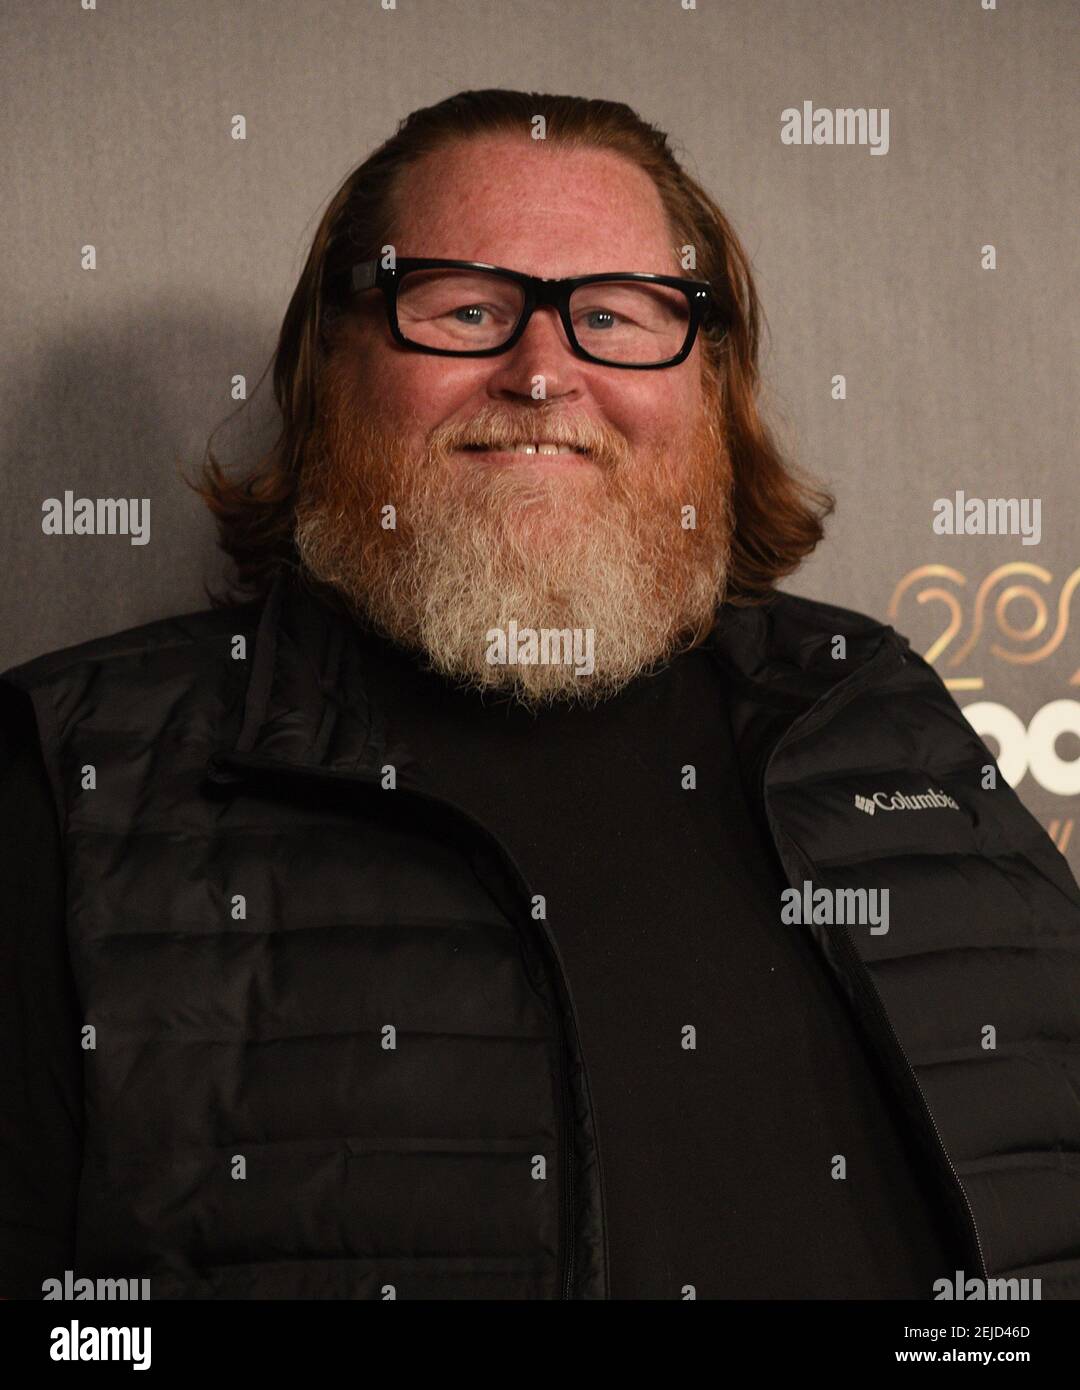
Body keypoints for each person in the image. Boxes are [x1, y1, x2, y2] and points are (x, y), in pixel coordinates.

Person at [2, 89, 1078, 1301]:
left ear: (711, 385)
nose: (543, 371)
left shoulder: (877, 714)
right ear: (329, 362)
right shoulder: (69, 775)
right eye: (464, 308)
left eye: (617, 316)